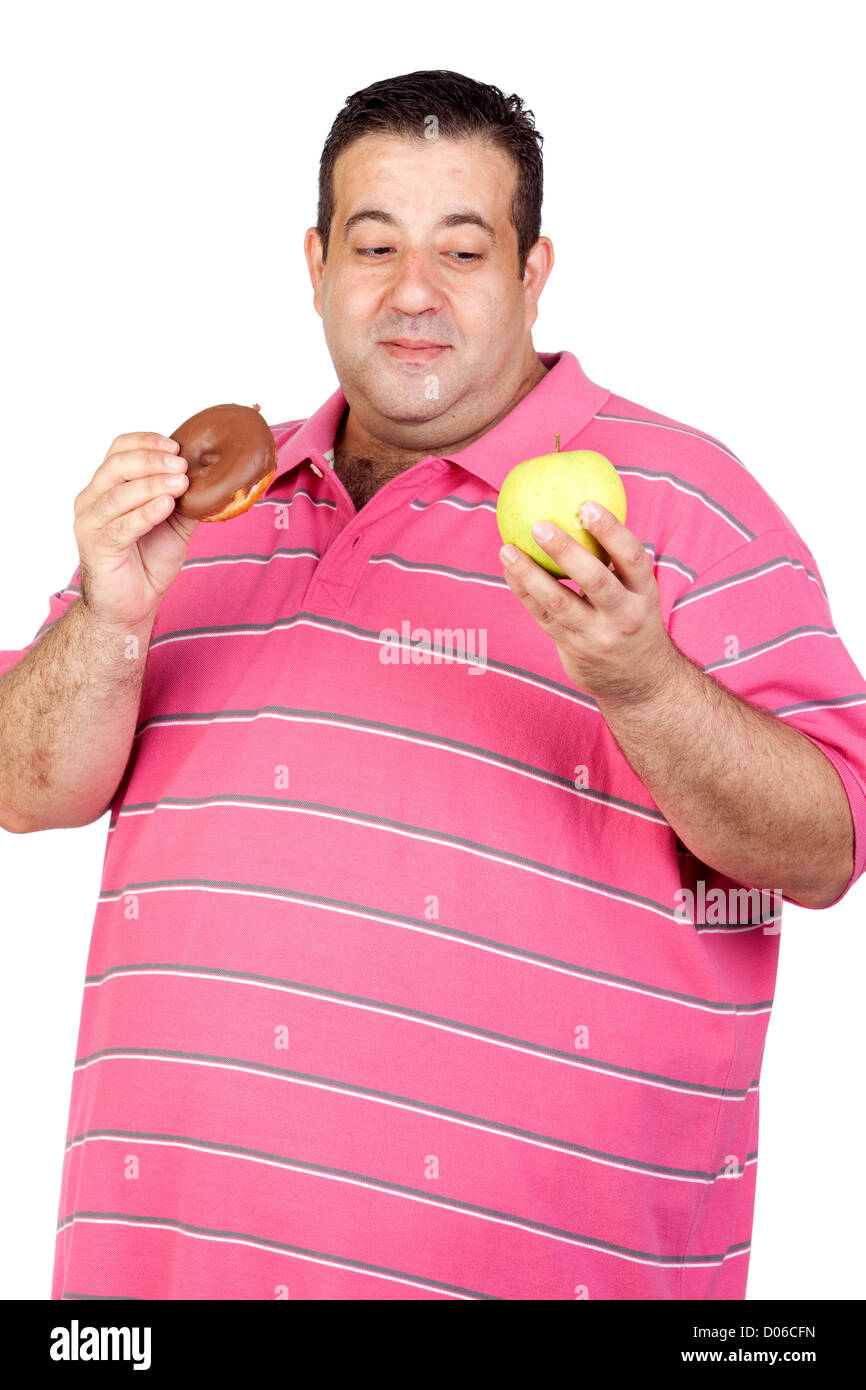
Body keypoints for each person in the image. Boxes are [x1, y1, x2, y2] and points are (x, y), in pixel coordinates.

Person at [1, 68, 864, 1302]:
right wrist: (108, 613)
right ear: (313, 264)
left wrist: (639, 679)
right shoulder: (190, 514)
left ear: (531, 271)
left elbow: (828, 842)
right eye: (373, 245)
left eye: (462, 250)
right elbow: (22, 785)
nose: (412, 293)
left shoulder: (681, 505)